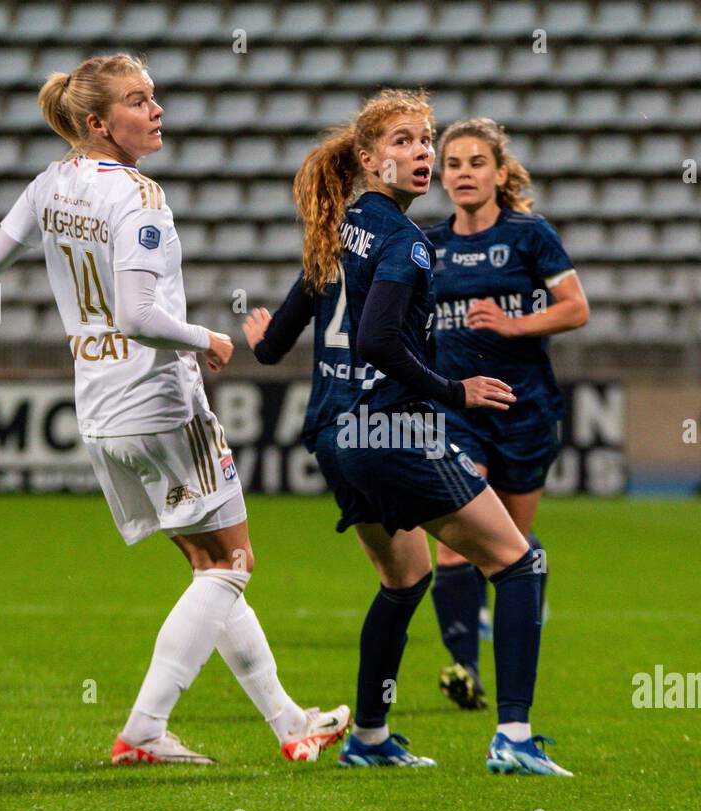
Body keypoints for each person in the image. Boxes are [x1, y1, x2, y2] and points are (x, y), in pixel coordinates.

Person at [0, 53, 349, 766]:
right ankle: (142, 731)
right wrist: (210, 338)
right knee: (232, 563)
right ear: (100, 123)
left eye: (155, 96)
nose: (157, 109)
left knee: (209, 566)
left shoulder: (52, 184)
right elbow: (138, 315)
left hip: (101, 410)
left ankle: (291, 722)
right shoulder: (138, 199)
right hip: (161, 402)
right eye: (140, 101)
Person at [245, 90, 571, 775]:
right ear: (367, 159)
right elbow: (378, 341)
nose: (421, 154)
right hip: (392, 431)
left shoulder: (330, 233)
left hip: (334, 437)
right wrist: (456, 390)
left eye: (424, 141)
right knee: (517, 563)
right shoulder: (407, 243)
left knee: (405, 580)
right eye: (403, 142)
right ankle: (512, 735)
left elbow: (273, 346)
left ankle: (368, 735)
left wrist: (255, 337)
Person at [423, 118, 588, 710]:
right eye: (454, 164)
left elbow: (576, 308)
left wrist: (515, 324)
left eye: (475, 163)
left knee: (512, 545)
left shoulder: (529, 235)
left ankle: (517, 605)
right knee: (453, 542)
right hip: (459, 413)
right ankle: (464, 667)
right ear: (442, 175)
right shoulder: (430, 245)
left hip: (524, 410)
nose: (464, 173)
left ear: (498, 172)